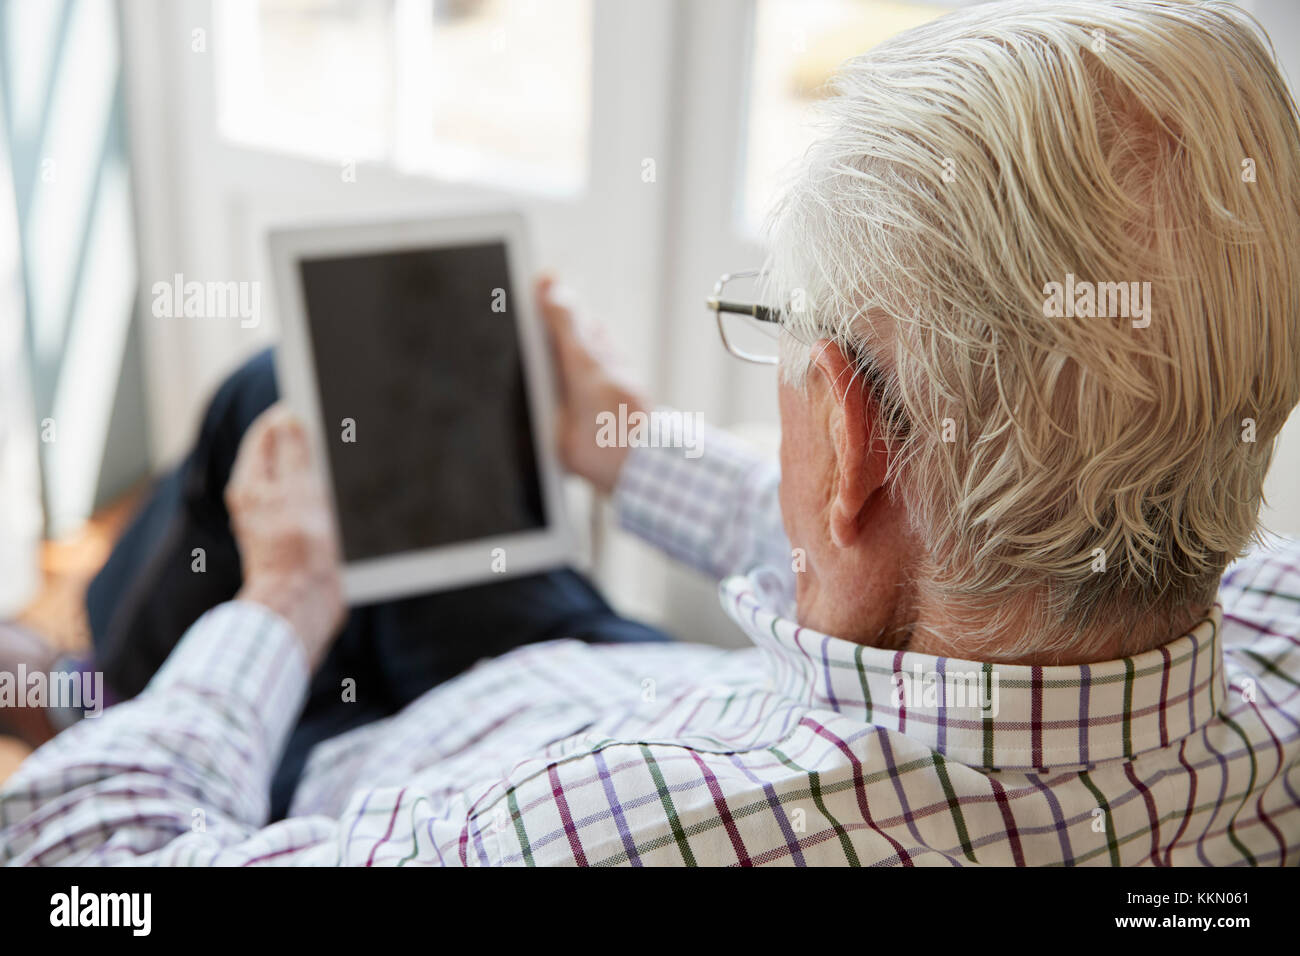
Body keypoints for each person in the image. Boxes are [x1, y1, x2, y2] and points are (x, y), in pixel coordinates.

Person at [2, 0, 1299, 865]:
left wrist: (282, 604)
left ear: (843, 439)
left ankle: (110, 706)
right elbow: (975, 536)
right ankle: (117, 682)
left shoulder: (573, 834)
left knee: (260, 424)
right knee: (326, 376)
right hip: (621, 674)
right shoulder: (1275, 643)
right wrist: (624, 442)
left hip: (393, 757)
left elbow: (72, 862)